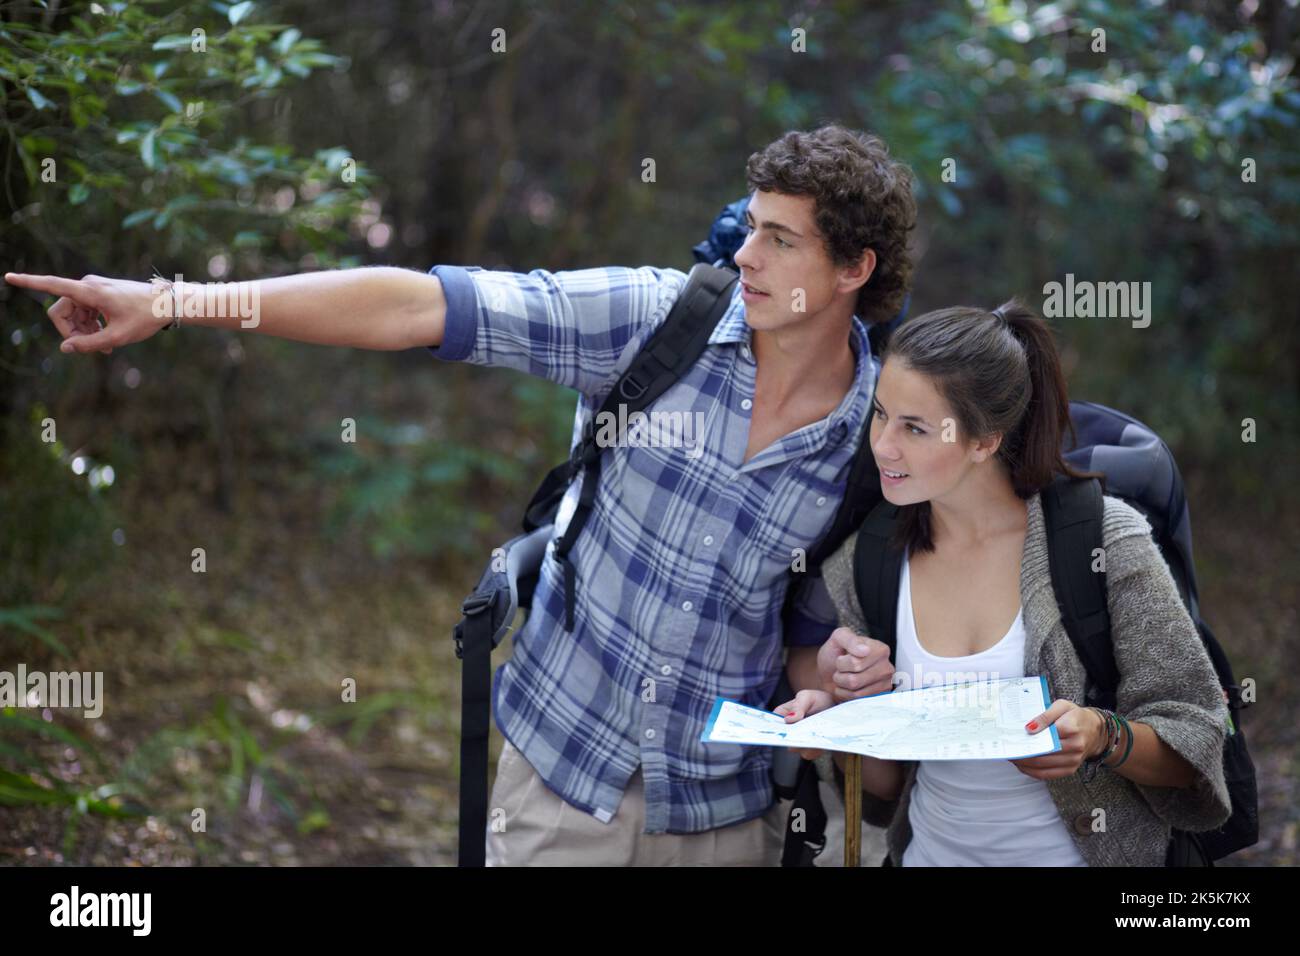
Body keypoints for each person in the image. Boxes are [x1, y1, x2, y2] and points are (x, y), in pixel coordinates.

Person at [4, 124, 915, 865]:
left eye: (780, 239)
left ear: (853, 270)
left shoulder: (882, 435)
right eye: (750, 225)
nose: (745, 254)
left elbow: (817, 636)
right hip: (559, 783)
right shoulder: (654, 319)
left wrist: (838, 677)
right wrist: (172, 304)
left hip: (726, 819)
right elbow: (415, 307)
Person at [776, 299, 1233, 866]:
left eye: (914, 427)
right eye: (880, 414)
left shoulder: (1103, 541)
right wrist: (844, 719)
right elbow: (885, 789)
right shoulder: (869, 558)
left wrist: (1099, 735)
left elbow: (1197, 734)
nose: (883, 445)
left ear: (985, 440)